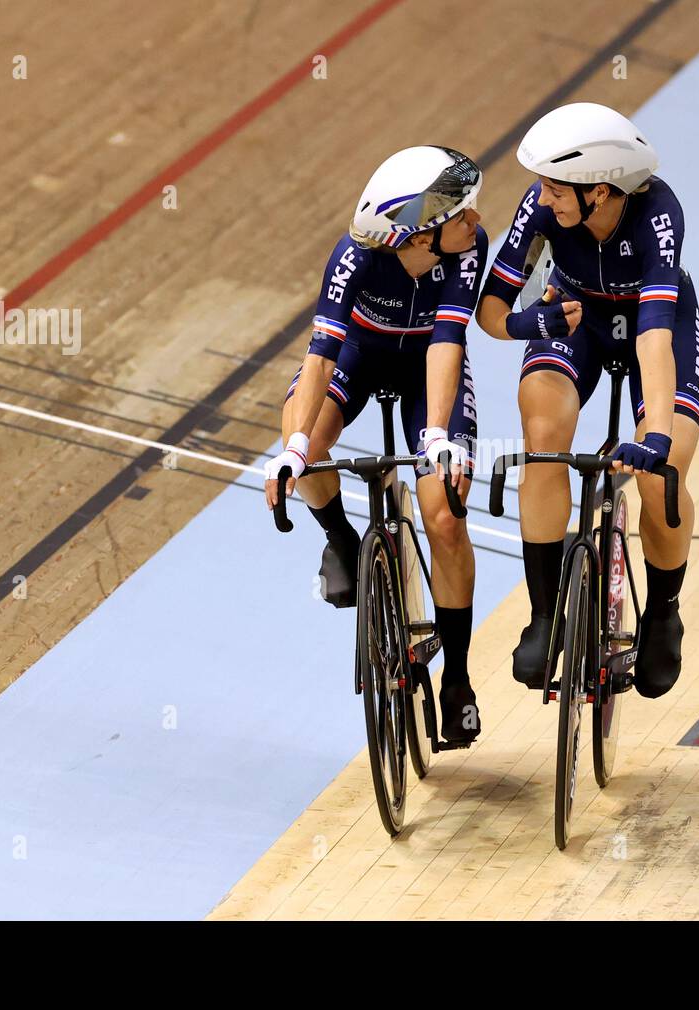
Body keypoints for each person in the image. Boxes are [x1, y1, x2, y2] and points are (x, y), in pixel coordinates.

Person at [475, 103, 699, 700]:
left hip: (655, 321)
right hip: (575, 318)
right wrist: (533, 323)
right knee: (544, 442)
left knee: (663, 476)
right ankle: (545, 614)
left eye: (555, 188)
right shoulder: (540, 207)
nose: (542, 198)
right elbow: (491, 312)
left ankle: (664, 611)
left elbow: (654, 334)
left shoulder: (658, 214)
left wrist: (655, 435)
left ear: (598, 191)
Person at [264, 146, 488, 743]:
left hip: (425, 372)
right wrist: (293, 450)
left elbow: (447, 343)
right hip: (360, 360)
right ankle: (341, 539)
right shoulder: (353, 258)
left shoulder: (466, 248)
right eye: (461, 215)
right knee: (301, 434)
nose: (475, 222)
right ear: (418, 236)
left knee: (443, 515)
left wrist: (439, 437)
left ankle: (458, 679)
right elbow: (321, 356)